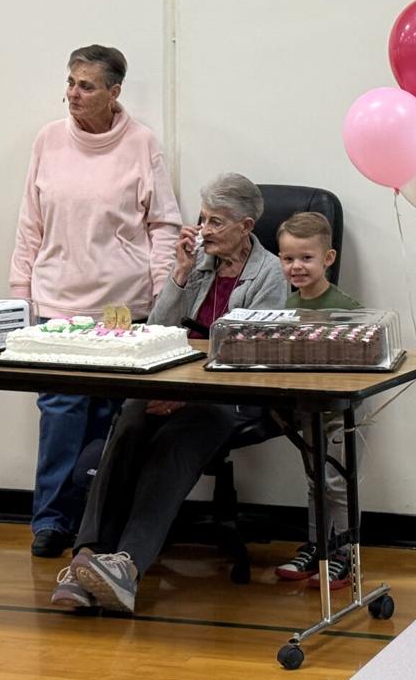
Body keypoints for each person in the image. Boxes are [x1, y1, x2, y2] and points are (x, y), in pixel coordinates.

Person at [50, 173, 288, 613]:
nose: (205, 230)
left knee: (175, 444)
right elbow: (158, 328)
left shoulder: (269, 274)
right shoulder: (196, 263)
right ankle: (85, 557)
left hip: (226, 393)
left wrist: (186, 395)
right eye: (203, 219)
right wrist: (178, 275)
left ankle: (127, 566)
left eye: (217, 222)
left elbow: (247, 353)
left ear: (247, 227)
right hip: (174, 378)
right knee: (129, 423)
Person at [10, 45, 181, 557]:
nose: (73, 94)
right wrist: (21, 294)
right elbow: (29, 222)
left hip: (123, 308)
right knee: (60, 417)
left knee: (112, 424)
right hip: (56, 301)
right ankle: (50, 523)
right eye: (70, 82)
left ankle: (98, 527)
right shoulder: (48, 140)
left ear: (114, 92)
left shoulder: (141, 143)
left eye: (86, 85)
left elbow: (164, 225)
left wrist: (161, 294)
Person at [271, 211, 362, 590]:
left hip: (336, 410)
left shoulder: (347, 309)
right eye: (288, 258)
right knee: (314, 480)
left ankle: (345, 553)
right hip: (304, 408)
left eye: (306, 258)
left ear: (328, 259)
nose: (296, 266)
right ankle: (317, 546)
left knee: (336, 481)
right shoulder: (282, 307)